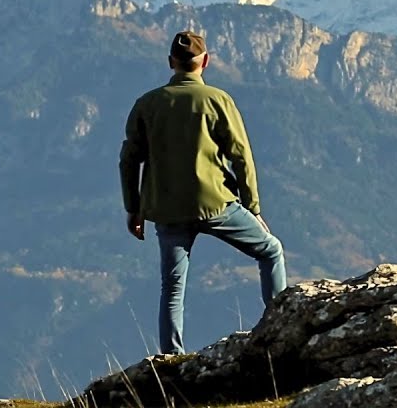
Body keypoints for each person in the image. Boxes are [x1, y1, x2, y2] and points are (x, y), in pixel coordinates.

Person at [118, 30, 287, 355]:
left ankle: (171, 356)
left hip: (166, 209)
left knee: (173, 287)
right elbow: (241, 156)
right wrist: (252, 207)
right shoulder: (218, 101)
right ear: (205, 62)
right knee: (271, 251)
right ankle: (281, 326)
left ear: (171, 63)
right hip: (217, 204)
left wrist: (134, 207)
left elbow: (129, 159)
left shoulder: (148, 104)